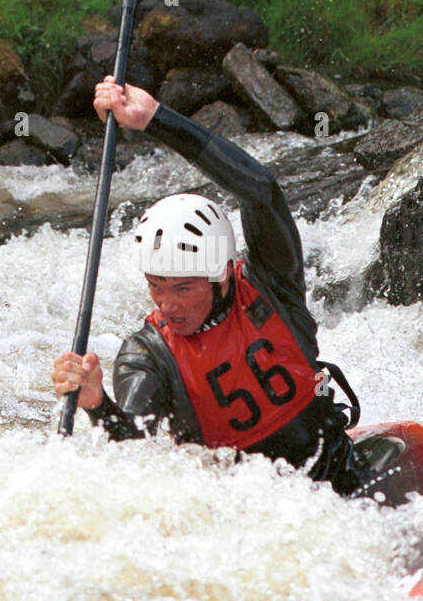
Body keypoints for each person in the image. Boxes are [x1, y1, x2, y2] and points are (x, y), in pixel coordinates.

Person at [52, 75, 380, 497]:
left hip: (338, 470)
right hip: (244, 511)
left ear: (223, 273)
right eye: (156, 286)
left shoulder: (272, 288)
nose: (168, 304)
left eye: (184, 289)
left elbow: (260, 191)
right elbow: (135, 448)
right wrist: (97, 403)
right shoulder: (149, 354)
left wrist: (155, 118)